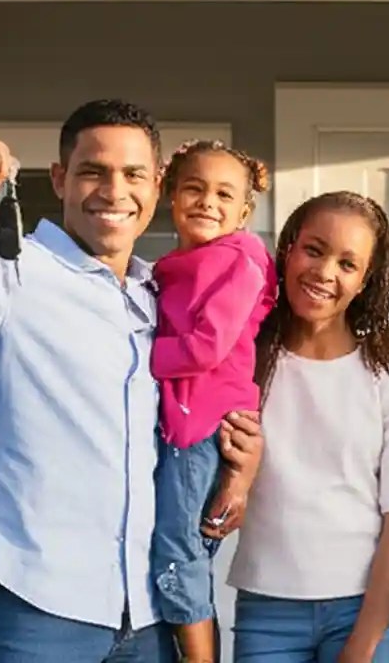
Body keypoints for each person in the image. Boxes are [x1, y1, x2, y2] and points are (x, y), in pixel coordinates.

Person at [0, 99, 264, 663]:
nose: (115, 191)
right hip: (39, 609)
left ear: (157, 184)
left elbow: (195, 409)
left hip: (149, 616)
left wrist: (242, 468)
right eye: (94, 171)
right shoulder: (5, 272)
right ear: (62, 178)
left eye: (134, 174)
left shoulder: (159, 295)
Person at [223, 191, 389, 663]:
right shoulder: (244, 360)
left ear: (365, 280)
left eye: (347, 264)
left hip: (363, 607)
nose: (325, 273)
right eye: (314, 250)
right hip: (265, 610)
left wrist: (365, 643)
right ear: (289, 248)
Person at [148, 139, 277, 663]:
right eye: (194, 189)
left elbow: (206, 345)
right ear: (170, 195)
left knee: (177, 556)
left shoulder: (239, 257)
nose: (208, 202)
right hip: (184, 417)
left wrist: (130, 349)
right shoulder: (175, 264)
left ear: (244, 212)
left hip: (204, 424)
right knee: (181, 553)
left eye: (225, 194)